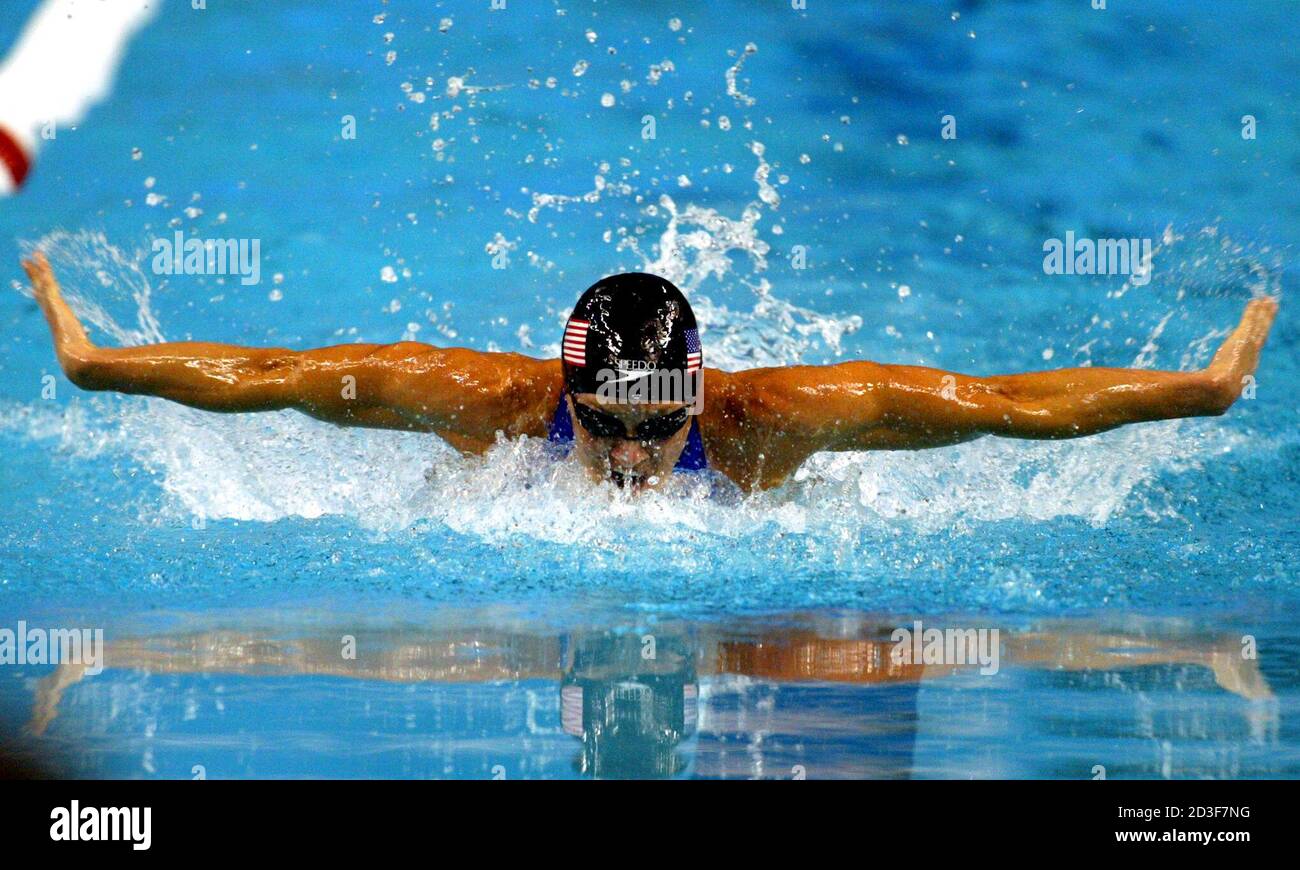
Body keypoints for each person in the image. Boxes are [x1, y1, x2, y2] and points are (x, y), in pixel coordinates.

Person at [23, 253, 1278, 491]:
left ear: (698, 392)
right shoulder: (491, 403)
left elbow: (1005, 408)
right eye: (605, 425)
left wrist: (1203, 389)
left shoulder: (770, 420)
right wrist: (93, 365)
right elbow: (272, 372)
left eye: (654, 427)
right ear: (564, 395)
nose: (628, 459)